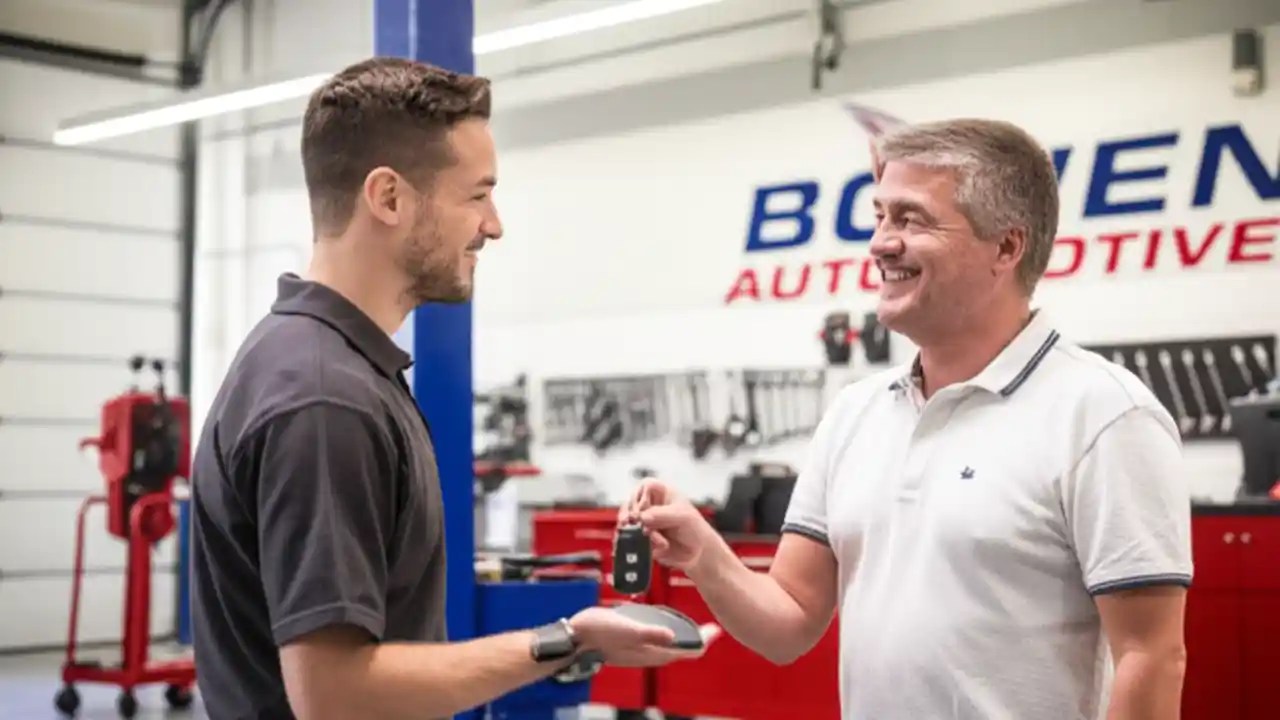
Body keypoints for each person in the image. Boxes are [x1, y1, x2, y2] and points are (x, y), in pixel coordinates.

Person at [624, 118, 1193, 719]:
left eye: (911, 219)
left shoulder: (1104, 415)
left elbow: (1151, 656)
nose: (880, 243)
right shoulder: (855, 414)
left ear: (1006, 247)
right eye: (880, 217)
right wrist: (704, 555)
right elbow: (789, 620)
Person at [189, 57, 700, 720]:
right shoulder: (324, 399)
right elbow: (334, 694)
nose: (494, 224)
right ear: (388, 198)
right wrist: (564, 641)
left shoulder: (331, 368)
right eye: (477, 196)